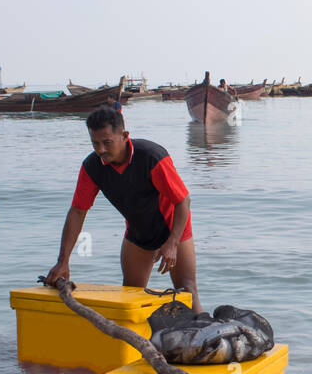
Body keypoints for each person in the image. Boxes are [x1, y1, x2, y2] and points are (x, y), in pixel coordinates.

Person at [46, 106, 201, 311]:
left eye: (107, 142)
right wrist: (63, 260)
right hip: (137, 233)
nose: (101, 150)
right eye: (95, 143)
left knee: (186, 291)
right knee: (130, 294)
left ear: (124, 135)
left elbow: (183, 201)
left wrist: (172, 243)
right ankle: (135, 341)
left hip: (173, 228)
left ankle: (205, 341)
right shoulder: (92, 167)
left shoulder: (152, 157)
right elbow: (77, 211)